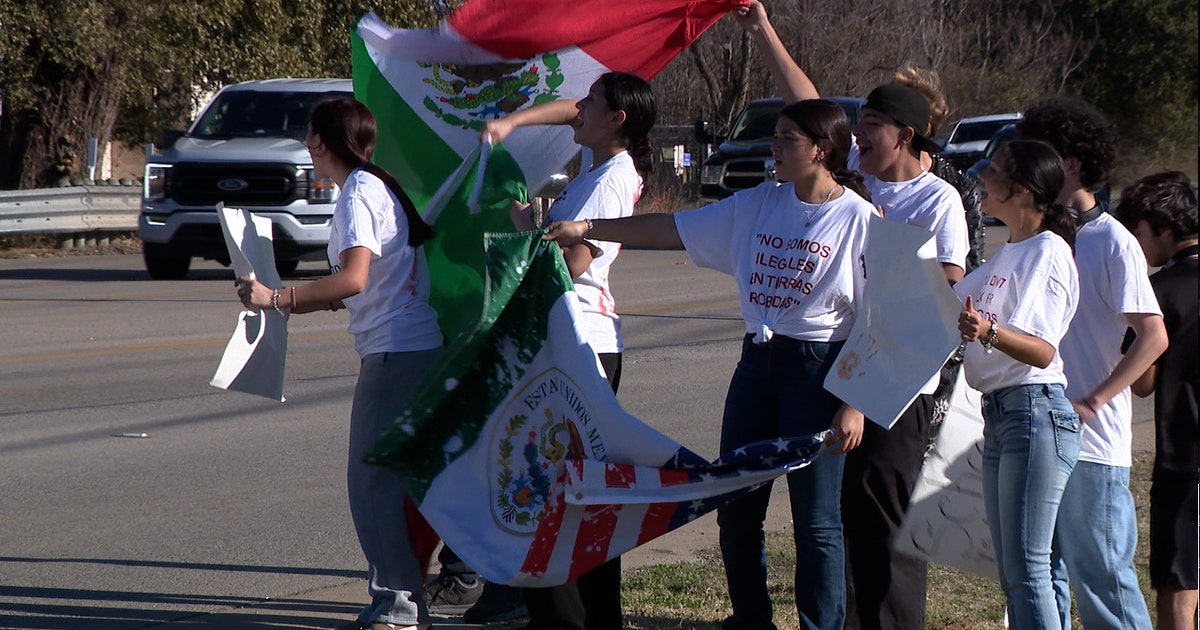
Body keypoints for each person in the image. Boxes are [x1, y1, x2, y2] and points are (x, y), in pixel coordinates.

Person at [545, 97, 872, 630]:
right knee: (736, 503)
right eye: (777, 136)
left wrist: (854, 402)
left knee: (817, 521)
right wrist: (590, 229)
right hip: (757, 363)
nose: (775, 147)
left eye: (788, 139)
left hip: (817, 374)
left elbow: (876, 320)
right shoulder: (758, 203)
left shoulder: (858, 219)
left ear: (822, 150)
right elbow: (671, 228)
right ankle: (750, 619)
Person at [730, 7, 970, 627]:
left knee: (882, 516)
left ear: (907, 136)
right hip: (835, 370)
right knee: (833, 514)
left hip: (897, 379)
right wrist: (761, 29)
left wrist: (883, 250)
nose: (857, 138)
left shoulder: (938, 200)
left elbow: (932, 301)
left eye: (872, 126)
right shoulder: (857, 181)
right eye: (857, 127)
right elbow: (809, 107)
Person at [234, 97, 442, 630]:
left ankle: (397, 608)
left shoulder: (357, 195)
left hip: (397, 353)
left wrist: (277, 300)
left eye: (308, 137)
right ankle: (407, 602)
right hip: (415, 349)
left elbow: (354, 279)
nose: (306, 147)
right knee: (394, 483)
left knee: (372, 483)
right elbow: (365, 285)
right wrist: (289, 297)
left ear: (321, 143)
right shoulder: (378, 185)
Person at [478, 70, 657, 630]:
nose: (579, 108)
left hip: (585, 345)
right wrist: (511, 125)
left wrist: (526, 244)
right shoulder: (594, 169)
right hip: (569, 340)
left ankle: (573, 617)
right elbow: (564, 111)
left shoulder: (610, 180)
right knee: (575, 485)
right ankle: (581, 615)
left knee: (569, 487)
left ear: (617, 119)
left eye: (592, 102)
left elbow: (575, 264)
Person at [1017, 97, 1166, 629]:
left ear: (1072, 163)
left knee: (1102, 582)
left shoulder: (1112, 241)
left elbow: (1153, 337)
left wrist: (1094, 399)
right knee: (1041, 578)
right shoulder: (1039, 238)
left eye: (1038, 152)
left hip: (1093, 444)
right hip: (1038, 435)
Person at [954, 139, 1080, 628]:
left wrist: (987, 332)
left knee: (1028, 572)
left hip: (1035, 412)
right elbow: (943, 305)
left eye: (994, 171)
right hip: (1005, 416)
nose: (982, 177)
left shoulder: (1047, 251)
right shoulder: (1008, 254)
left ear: (1022, 191)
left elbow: (1043, 349)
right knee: (1016, 573)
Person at [1114, 171, 1199, 630]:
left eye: (1140, 234)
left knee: (1179, 582)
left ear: (1164, 229)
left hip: (1184, 456)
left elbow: (1143, 382)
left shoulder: (1160, 291)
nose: (1137, 247)